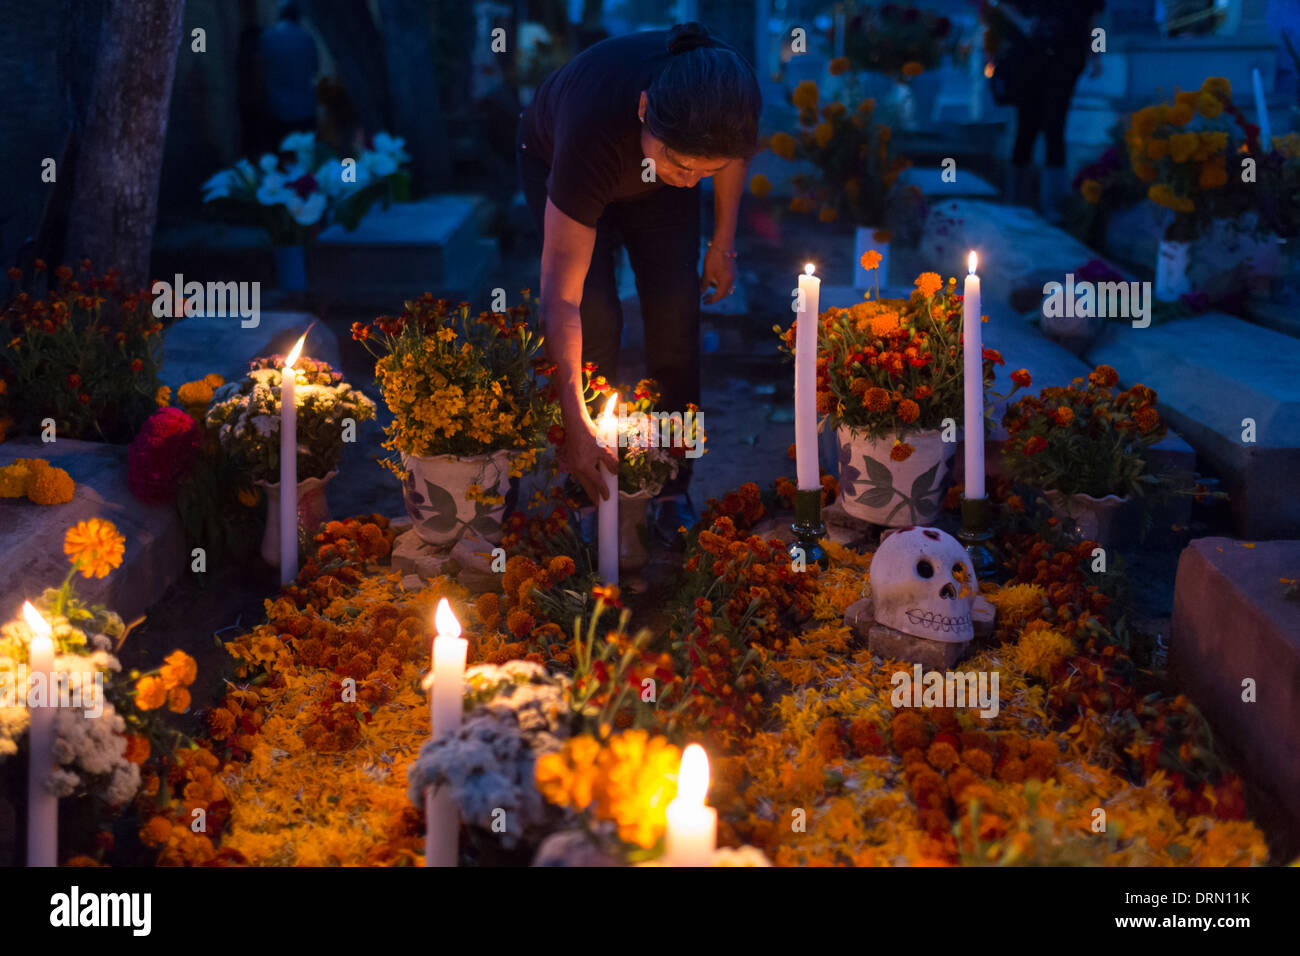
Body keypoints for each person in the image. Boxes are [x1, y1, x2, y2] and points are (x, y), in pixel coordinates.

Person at [516, 22, 760, 541]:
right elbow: (562, 298)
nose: (692, 179)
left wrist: (721, 244)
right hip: (561, 160)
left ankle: (674, 482)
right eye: (683, 165)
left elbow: (726, 156)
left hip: (657, 173)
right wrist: (572, 421)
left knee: (677, 317)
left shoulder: (722, 103)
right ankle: (585, 480)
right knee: (598, 314)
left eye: (705, 171)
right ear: (646, 108)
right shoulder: (592, 129)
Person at [994, 0, 1105, 222]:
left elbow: (1095, 21)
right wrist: (1023, 23)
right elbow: (1002, 3)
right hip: (1030, 55)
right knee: (1026, 126)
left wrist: (1097, 54)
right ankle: (1016, 202)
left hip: (1067, 57)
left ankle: (1054, 208)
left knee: (1055, 126)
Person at [259, 1, 319, 150]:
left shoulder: (267, 38)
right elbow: (314, 68)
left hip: (278, 110)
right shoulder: (306, 38)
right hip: (305, 108)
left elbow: (261, 70)